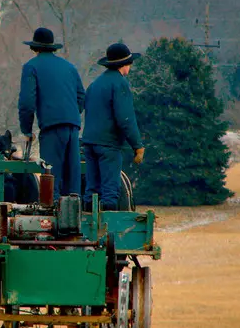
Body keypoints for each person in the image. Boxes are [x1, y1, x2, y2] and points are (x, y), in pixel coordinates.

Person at [18, 27, 85, 201]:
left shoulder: (31, 67)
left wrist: (26, 130)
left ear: (34, 48)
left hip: (52, 129)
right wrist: (69, 115)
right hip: (73, 127)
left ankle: (52, 220)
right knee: (72, 182)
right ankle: (73, 218)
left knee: (51, 180)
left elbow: (26, 102)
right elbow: (81, 96)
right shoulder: (70, 67)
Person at [82, 42, 145, 211]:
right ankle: (108, 229)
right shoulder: (120, 84)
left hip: (88, 142)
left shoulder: (95, 84)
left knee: (91, 189)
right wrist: (137, 146)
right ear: (124, 65)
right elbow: (125, 118)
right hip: (108, 145)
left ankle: (88, 227)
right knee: (110, 191)